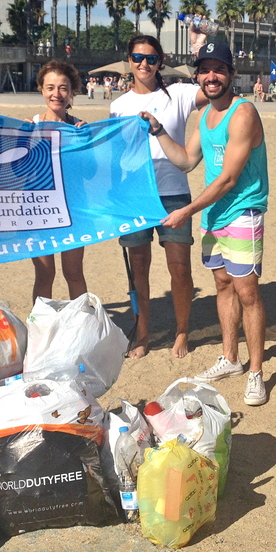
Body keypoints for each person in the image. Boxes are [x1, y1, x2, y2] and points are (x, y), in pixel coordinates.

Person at [141, 41, 270, 406]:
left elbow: (228, 178)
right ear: (197, 76)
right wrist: (158, 130)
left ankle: (256, 372)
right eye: (205, 70)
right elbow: (186, 160)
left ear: (232, 74)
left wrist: (187, 210)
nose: (211, 76)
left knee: (248, 293)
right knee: (223, 285)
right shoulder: (206, 116)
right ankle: (230, 358)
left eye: (219, 70)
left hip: (243, 211)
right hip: (215, 215)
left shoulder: (243, 113)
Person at [109, 35, 208, 359]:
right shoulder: (118, 106)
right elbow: (115, 152)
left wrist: (199, 51)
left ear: (160, 62)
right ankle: (142, 333)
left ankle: (182, 331)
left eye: (151, 58)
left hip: (173, 192)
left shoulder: (178, 94)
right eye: (138, 57)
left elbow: (212, 89)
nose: (144, 64)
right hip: (134, 196)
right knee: (139, 268)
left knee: (179, 268)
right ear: (129, 61)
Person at [31, 60, 88, 302]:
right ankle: (42, 323)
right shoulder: (29, 126)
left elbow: (91, 173)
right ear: (42, 90)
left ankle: (82, 320)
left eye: (63, 88)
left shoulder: (79, 127)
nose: (57, 94)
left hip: (73, 209)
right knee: (45, 274)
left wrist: (87, 142)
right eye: (50, 87)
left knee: (73, 272)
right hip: (38, 209)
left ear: (72, 91)